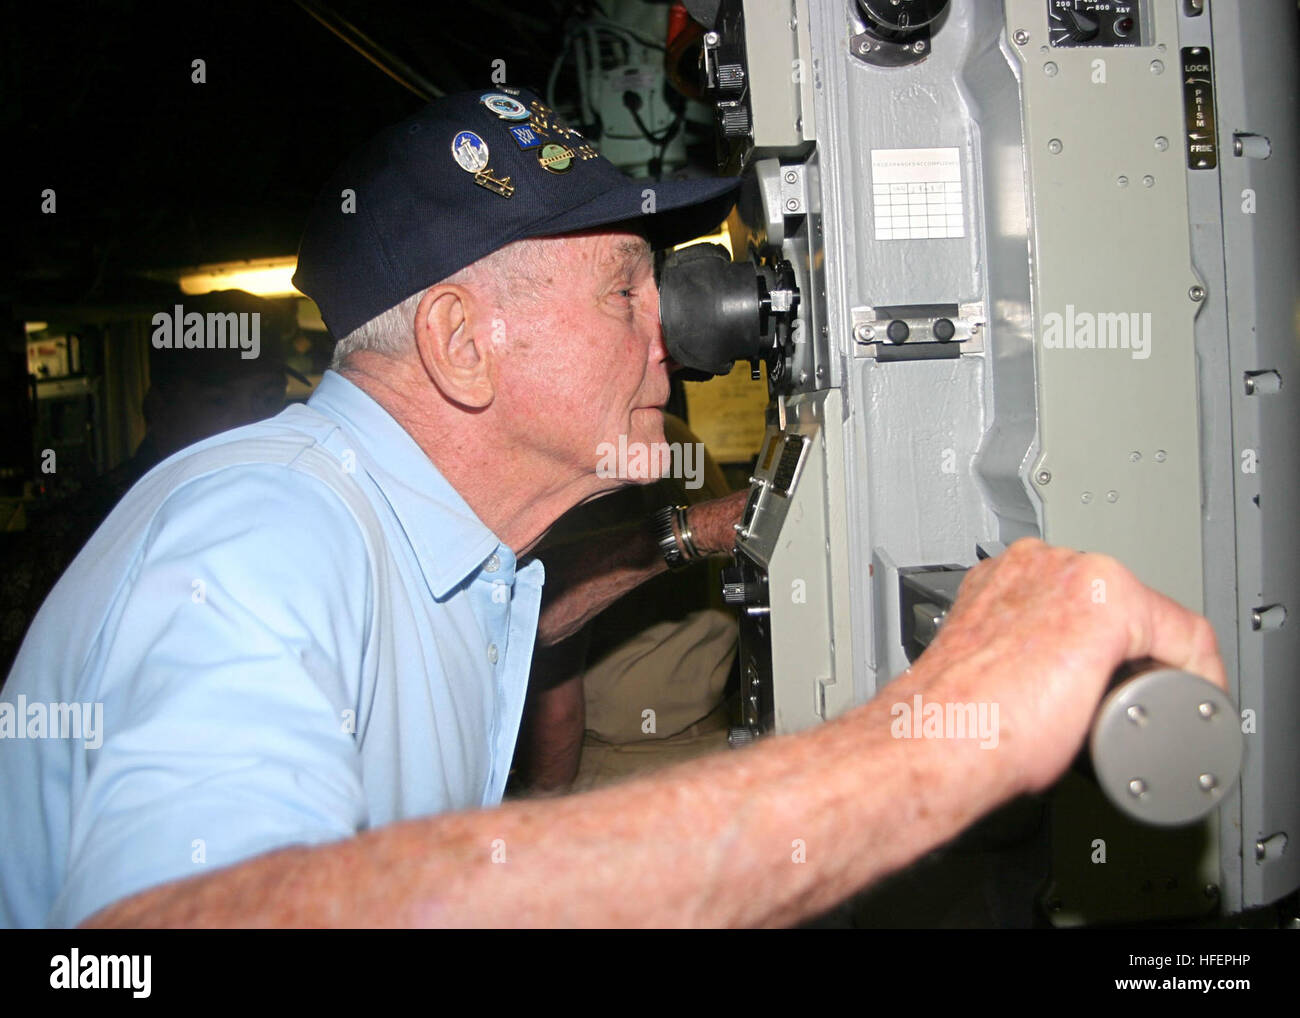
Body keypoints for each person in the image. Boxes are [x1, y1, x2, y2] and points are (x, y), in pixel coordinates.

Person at [0, 88, 1225, 928]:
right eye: (624, 292)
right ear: (460, 345)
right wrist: (928, 744)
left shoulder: (470, 563)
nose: (678, 340)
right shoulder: (264, 539)